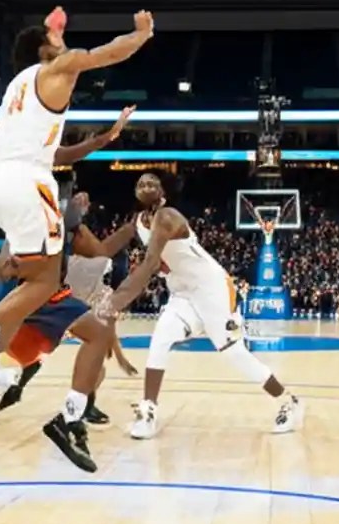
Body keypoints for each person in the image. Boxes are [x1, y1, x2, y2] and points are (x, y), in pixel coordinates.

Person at [0, 7, 153, 463]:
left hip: (1, 184)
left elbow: (54, 151)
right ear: (44, 50)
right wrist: (142, 34)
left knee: (91, 326)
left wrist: (104, 139)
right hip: (27, 186)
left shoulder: (18, 90)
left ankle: (66, 418)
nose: (66, 46)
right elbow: (103, 54)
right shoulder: (54, 68)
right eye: (57, 40)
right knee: (42, 281)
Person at [98, 172, 304, 440]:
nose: (146, 186)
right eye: (141, 183)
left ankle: (289, 402)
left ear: (163, 193)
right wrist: (75, 256)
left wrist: (116, 301)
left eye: (152, 183)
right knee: (160, 337)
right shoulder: (137, 221)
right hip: (183, 292)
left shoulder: (168, 216)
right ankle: (148, 410)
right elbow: (104, 248)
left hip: (212, 289)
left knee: (233, 353)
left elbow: (150, 264)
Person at [0, 189, 138, 433]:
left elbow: (101, 250)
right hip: (33, 293)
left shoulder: (72, 231)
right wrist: (4, 266)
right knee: (9, 348)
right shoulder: (26, 224)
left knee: (94, 340)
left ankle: (80, 408)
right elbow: (1, 265)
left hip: (61, 295)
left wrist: (129, 230)